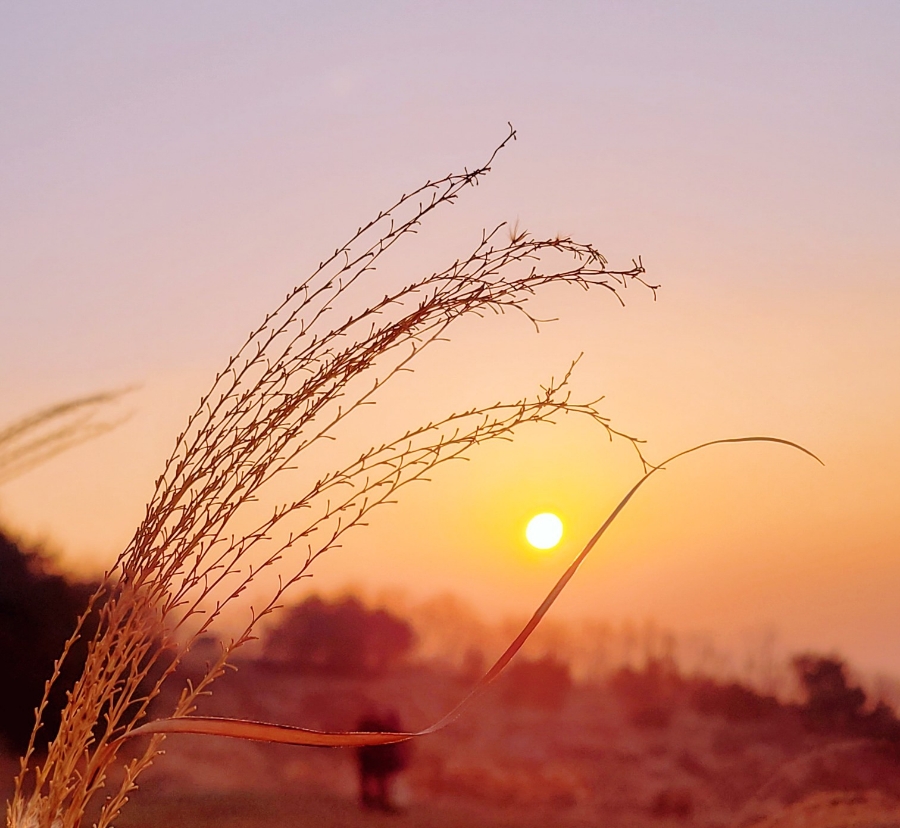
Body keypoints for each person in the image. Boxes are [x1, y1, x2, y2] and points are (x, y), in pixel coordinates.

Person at [355, 710, 411, 812]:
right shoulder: (390, 733)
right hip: (379, 762)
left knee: (375, 783)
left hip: (376, 761)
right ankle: (376, 802)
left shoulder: (377, 732)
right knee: (380, 783)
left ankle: (373, 802)